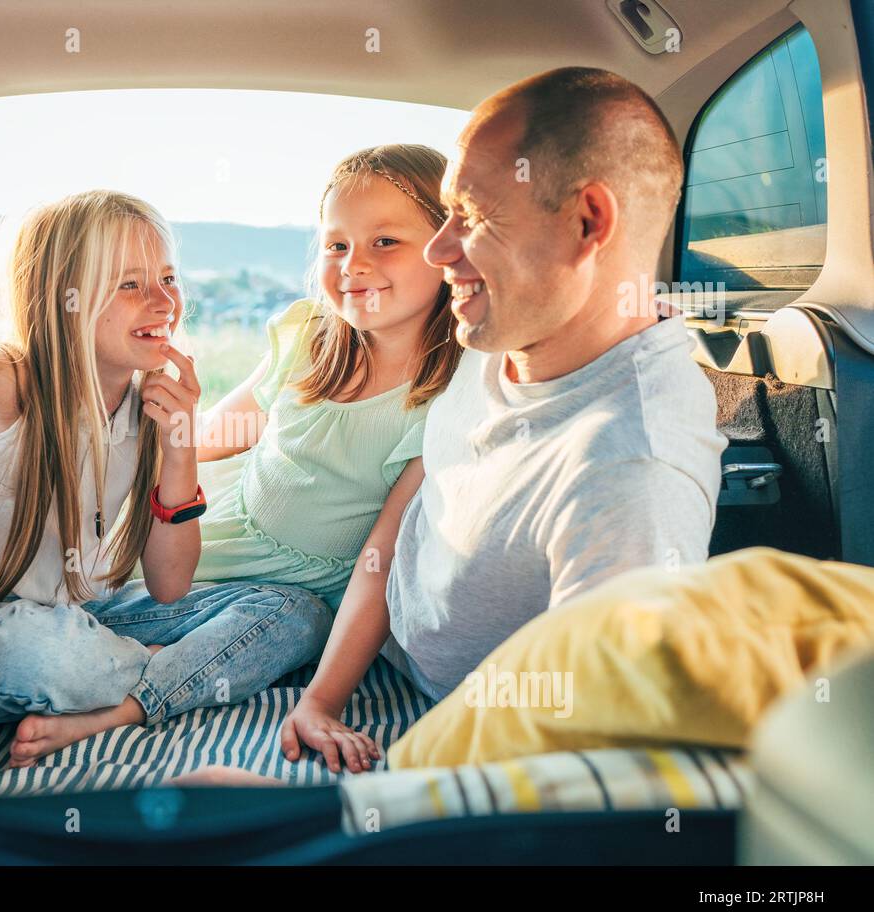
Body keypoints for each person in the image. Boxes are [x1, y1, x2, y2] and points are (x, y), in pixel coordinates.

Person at [282, 66, 728, 772]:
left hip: (469, 739)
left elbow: (586, 756)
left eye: (474, 216)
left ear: (588, 222)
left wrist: (336, 810)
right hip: (378, 653)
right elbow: (405, 519)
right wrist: (320, 699)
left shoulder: (631, 471)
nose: (438, 249)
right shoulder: (504, 336)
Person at [0, 191, 333, 767]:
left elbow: (171, 585)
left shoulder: (144, 401)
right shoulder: (6, 377)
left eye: (169, 277)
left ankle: (121, 703)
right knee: (44, 656)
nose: (164, 302)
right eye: (130, 285)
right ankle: (147, 674)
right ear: (64, 299)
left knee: (298, 613)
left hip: (86, 613)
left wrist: (180, 445)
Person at [192, 144, 469, 611]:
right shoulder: (308, 342)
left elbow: (380, 562)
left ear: (447, 249)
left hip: (287, 602)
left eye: (385, 241)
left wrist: (322, 690)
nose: (352, 265)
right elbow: (204, 439)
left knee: (289, 620)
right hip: (209, 553)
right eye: (336, 245)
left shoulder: (444, 402)